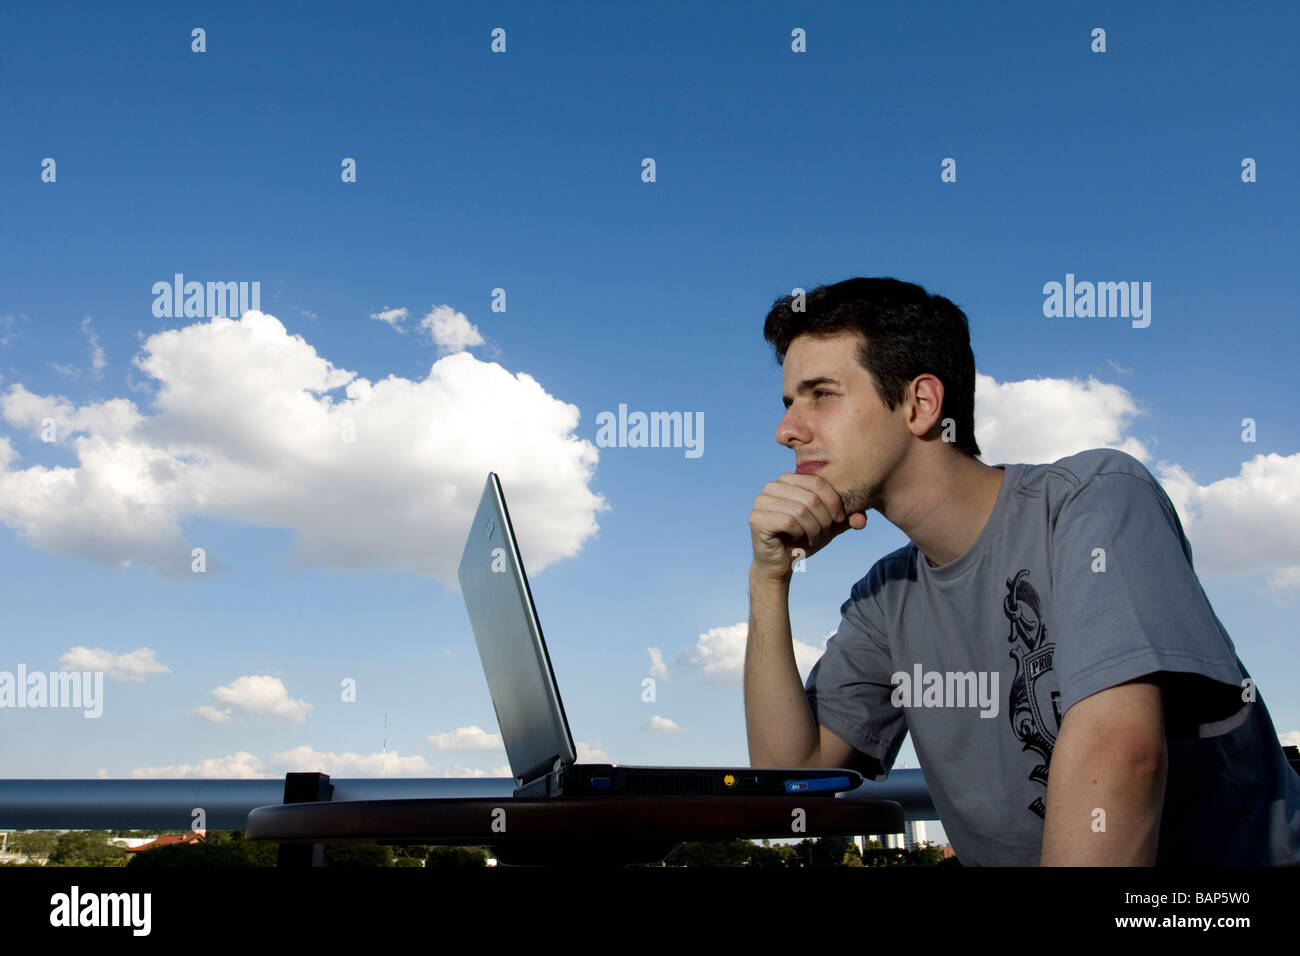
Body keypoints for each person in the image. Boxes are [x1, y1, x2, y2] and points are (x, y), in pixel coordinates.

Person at [744, 276, 1300, 866]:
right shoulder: (886, 598)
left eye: (820, 394)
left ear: (920, 404)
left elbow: (1122, 753)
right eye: (788, 404)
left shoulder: (1094, 500)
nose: (787, 431)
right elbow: (794, 778)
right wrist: (768, 579)